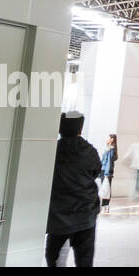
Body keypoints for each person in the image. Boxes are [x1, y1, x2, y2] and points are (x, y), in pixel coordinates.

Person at [45, 113, 102, 267]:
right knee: (84, 258)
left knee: (53, 256)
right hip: (85, 213)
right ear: (80, 129)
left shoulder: (52, 150)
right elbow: (96, 171)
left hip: (59, 214)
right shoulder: (89, 151)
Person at [98, 134, 117, 213]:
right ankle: (104, 205)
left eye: (108, 138)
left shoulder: (112, 149)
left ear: (112, 139)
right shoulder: (108, 148)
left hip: (107, 171)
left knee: (107, 189)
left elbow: (109, 161)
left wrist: (107, 173)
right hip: (103, 170)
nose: (106, 139)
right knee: (104, 188)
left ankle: (105, 206)